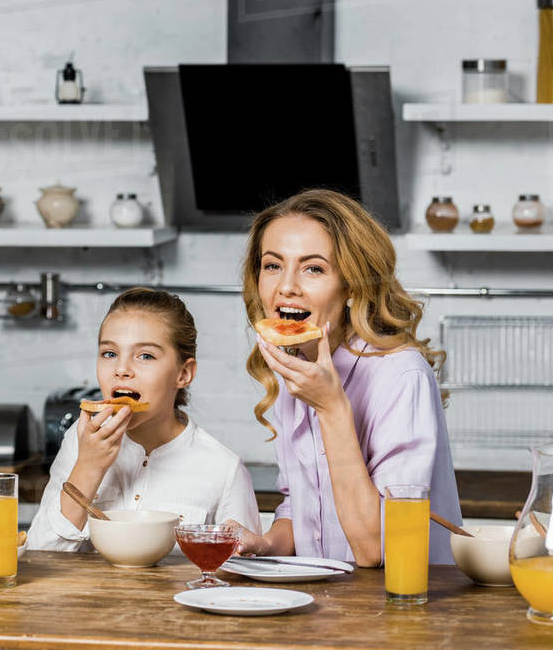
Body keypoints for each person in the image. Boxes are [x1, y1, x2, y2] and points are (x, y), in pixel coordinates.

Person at [228, 188, 461, 566]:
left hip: (404, 611)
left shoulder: (402, 375)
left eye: (313, 268)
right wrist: (267, 544)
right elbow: (303, 505)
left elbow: (377, 550)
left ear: (352, 285)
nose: (286, 286)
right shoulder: (300, 364)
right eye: (272, 265)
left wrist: (332, 407)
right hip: (327, 611)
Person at [28, 288, 260, 551]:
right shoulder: (79, 441)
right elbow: (40, 557)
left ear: (183, 374)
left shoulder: (224, 470)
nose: (122, 369)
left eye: (145, 356)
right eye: (109, 353)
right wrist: (88, 468)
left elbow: (240, 577)